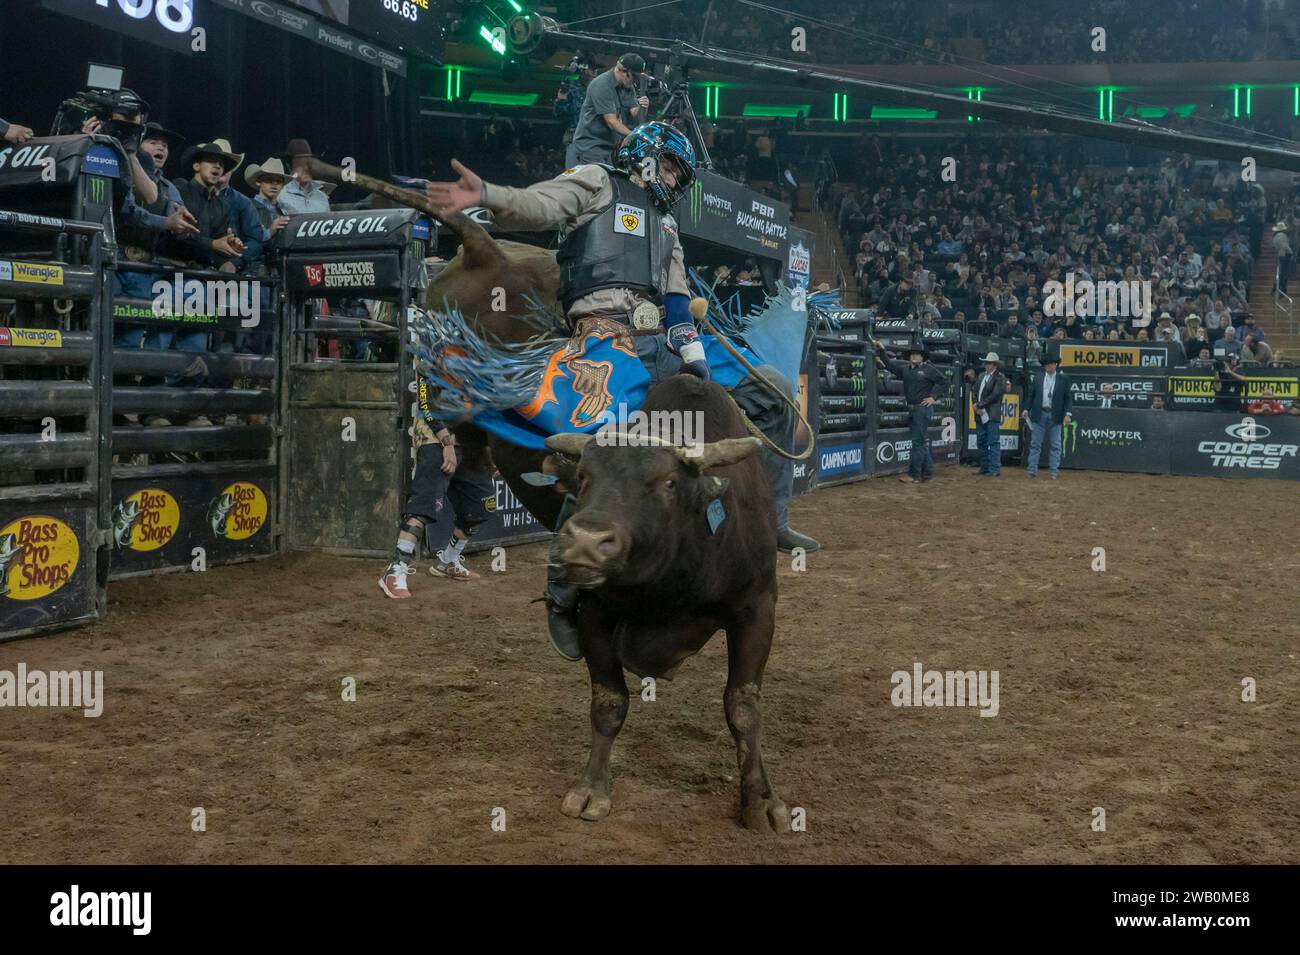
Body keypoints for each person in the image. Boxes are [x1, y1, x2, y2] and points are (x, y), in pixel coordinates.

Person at [424, 120, 817, 661]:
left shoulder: (668, 227)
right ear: (647, 156)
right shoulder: (597, 181)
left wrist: (697, 360)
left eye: (682, 170)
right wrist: (488, 195)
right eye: (673, 165)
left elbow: (678, 302)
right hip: (602, 340)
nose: (677, 177)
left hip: (664, 342)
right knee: (599, 443)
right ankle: (563, 589)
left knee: (768, 389)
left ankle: (775, 518)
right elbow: (540, 205)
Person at [379, 403, 492, 598]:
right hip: (435, 440)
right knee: (424, 507)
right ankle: (395, 570)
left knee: (480, 508)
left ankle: (448, 561)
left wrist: (489, 450)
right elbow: (425, 402)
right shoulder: (432, 370)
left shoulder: (483, 371)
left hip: (472, 441)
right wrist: (447, 444)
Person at [876, 342, 945, 484]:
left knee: (917, 443)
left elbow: (945, 382)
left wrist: (934, 397)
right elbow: (890, 366)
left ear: (922, 357)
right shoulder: (906, 369)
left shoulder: (928, 369)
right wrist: (882, 350)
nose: (914, 355)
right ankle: (927, 473)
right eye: (913, 354)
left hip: (922, 409)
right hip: (915, 409)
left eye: (917, 354)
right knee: (920, 442)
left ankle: (915, 475)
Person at [568, 53, 651, 166]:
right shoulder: (602, 85)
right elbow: (611, 121)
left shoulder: (628, 87)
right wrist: (635, 136)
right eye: (634, 77)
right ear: (623, 70)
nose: (635, 81)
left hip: (611, 148)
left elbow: (634, 113)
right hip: (592, 146)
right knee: (597, 181)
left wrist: (642, 106)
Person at [1022, 353, 1073, 479]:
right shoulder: (1038, 378)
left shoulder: (1063, 379)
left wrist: (1068, 414)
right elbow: (1031, 395)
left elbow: (1068, 398)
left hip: (1055, 414)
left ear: (1055, 365)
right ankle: (1032, 470)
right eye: (1047, 364)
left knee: (1055, 445)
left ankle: (1053, 471)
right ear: (1044, 366)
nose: (1049, 366)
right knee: (1035, 443)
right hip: (1039, 413)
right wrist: (1026, 409)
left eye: (1051, 364)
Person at [971, 352, 1007, 476]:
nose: (986, 365)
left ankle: (995, 469)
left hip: (991, 414)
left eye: (989, 363)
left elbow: (996, 395)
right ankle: (985, 467)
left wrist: (979, 405)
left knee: (993, 441)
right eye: (986, 362)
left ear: (995, 365)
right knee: (981, 441)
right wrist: (976, 405)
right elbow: (974, 391)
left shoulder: (1000, 378)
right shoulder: (981, 376)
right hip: (982, 413)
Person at [279, 139, 333, 215]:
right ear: (289, 166)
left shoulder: (322, 197)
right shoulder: (280, 196)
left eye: (309, 164)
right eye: (300, 165)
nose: (306, 168)